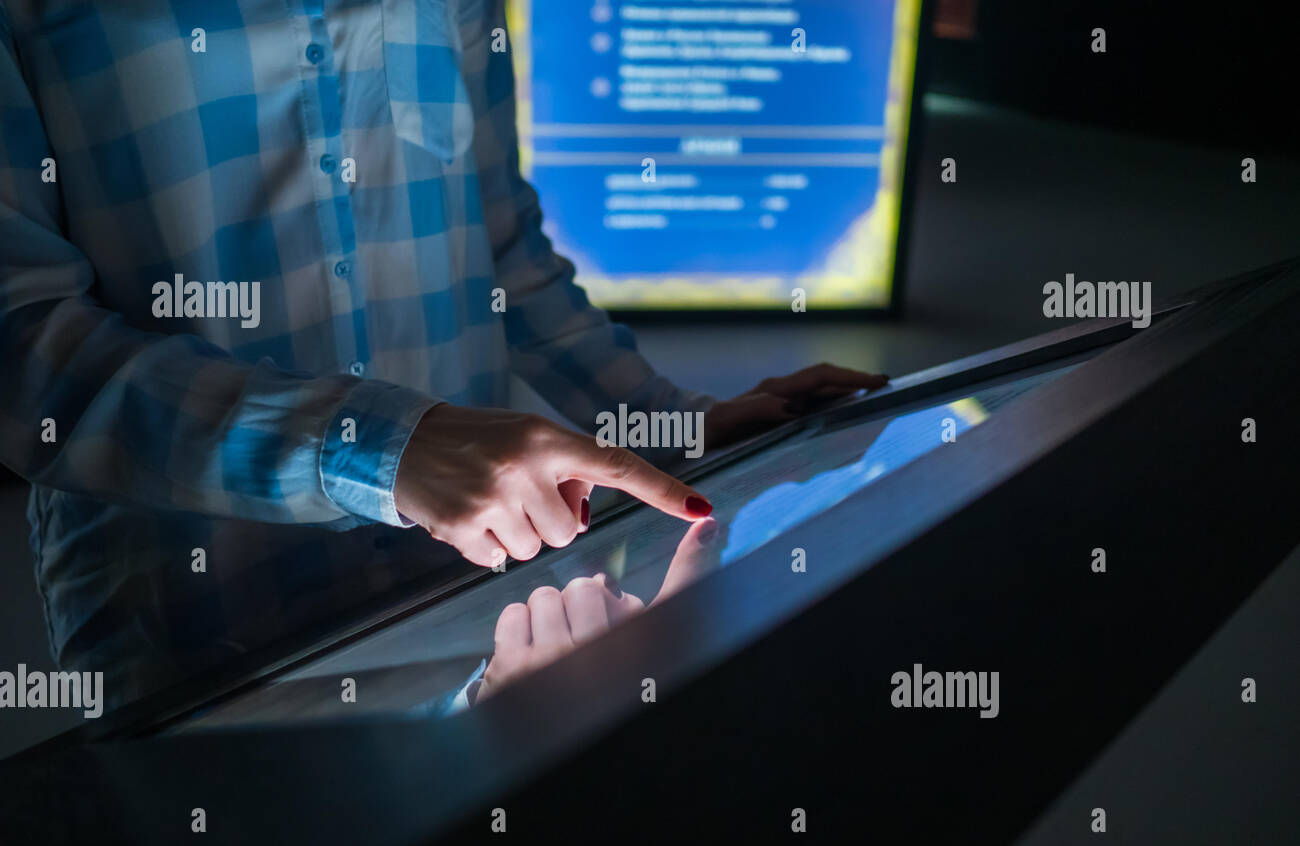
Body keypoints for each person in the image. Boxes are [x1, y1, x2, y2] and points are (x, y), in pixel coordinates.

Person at [0, 1, 885, 709]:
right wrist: (380, 447)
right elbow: (25, 346)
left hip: (469, 604)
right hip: (198, 637)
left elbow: (501, 250)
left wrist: (667, 420)